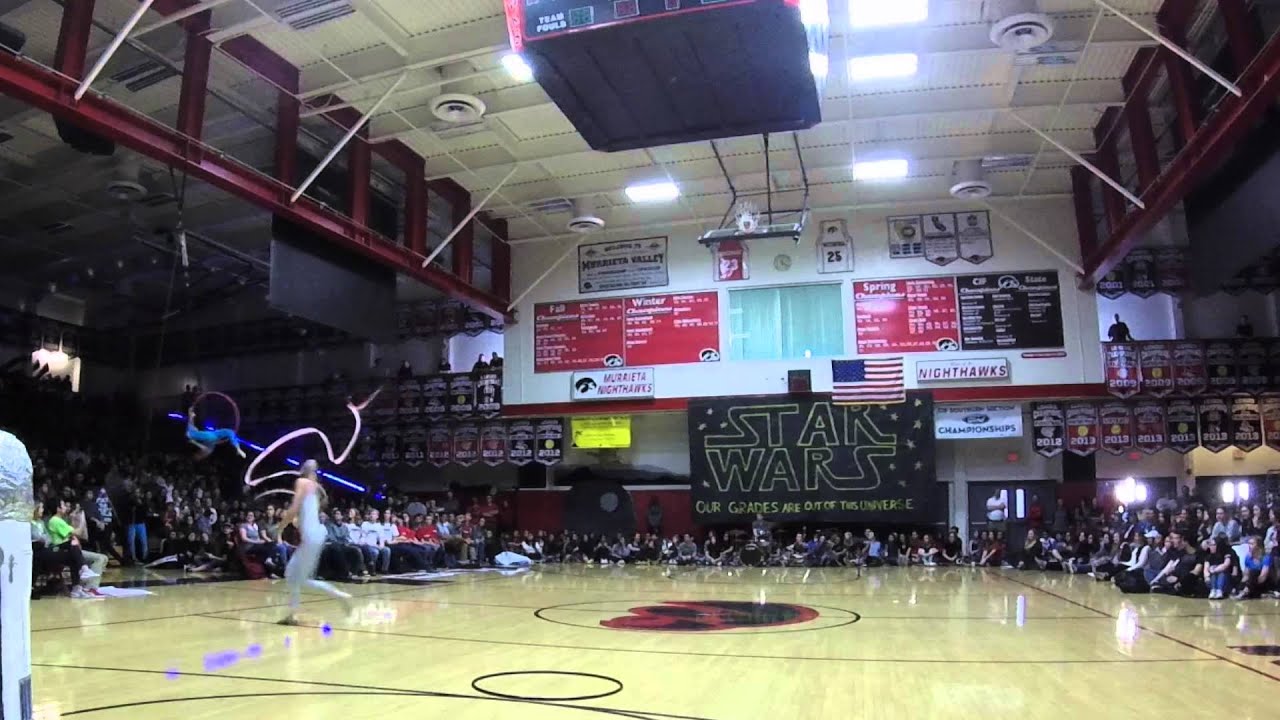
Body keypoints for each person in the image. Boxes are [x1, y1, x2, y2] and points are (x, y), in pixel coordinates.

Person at [277, 461, 352, 625]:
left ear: (304, 469)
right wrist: (295, 522)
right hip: (317, 534)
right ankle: (293, 615)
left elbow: (294, 509)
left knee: (294, 575)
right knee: (295, 575)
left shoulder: (301, 482)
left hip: (312, 536)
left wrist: (279, 528)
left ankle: (338, 596)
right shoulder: (316, 488)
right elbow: (305, 515)